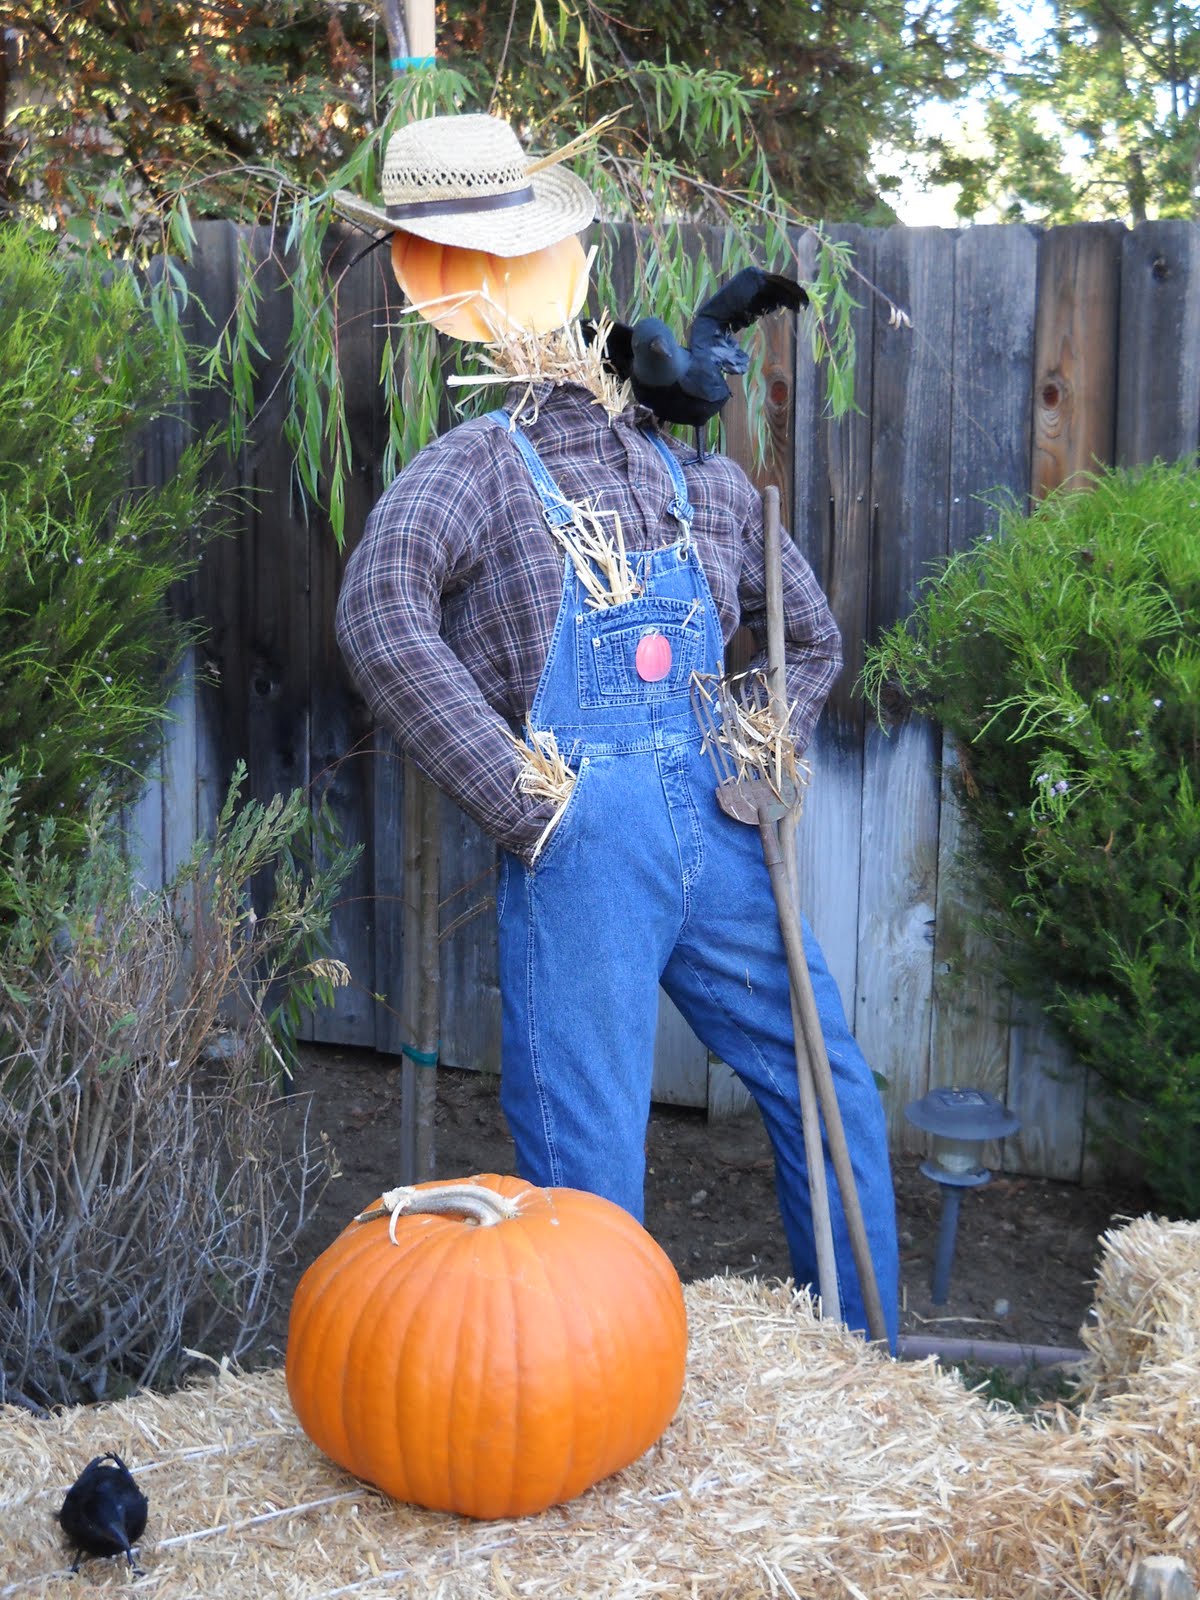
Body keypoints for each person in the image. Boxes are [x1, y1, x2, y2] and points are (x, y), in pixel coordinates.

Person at [335, 111, 900, 1347]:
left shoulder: (705, 485)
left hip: (720, 824)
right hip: (581, 840)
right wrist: (524, 798)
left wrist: (762, 749)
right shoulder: (478, 465)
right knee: (591, 1159)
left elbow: (811, 640)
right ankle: (603, 1405)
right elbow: (381, 616)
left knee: (827, 1087)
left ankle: (868, 1371)